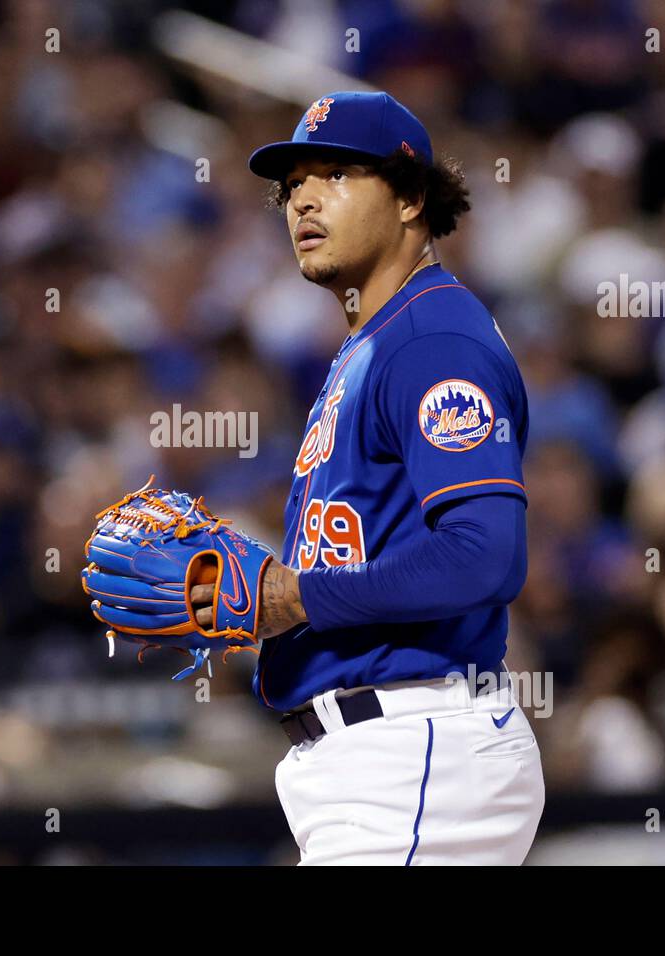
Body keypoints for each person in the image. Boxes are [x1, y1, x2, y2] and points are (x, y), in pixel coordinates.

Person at [208, 91, 545, 864]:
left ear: (412, 197)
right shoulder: (373, 344)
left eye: (336, 174)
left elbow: (484, 553)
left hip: (412, 749)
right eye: (292, 185)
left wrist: (293, 596)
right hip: (376, 761)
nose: (304, 199)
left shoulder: (430, 340)